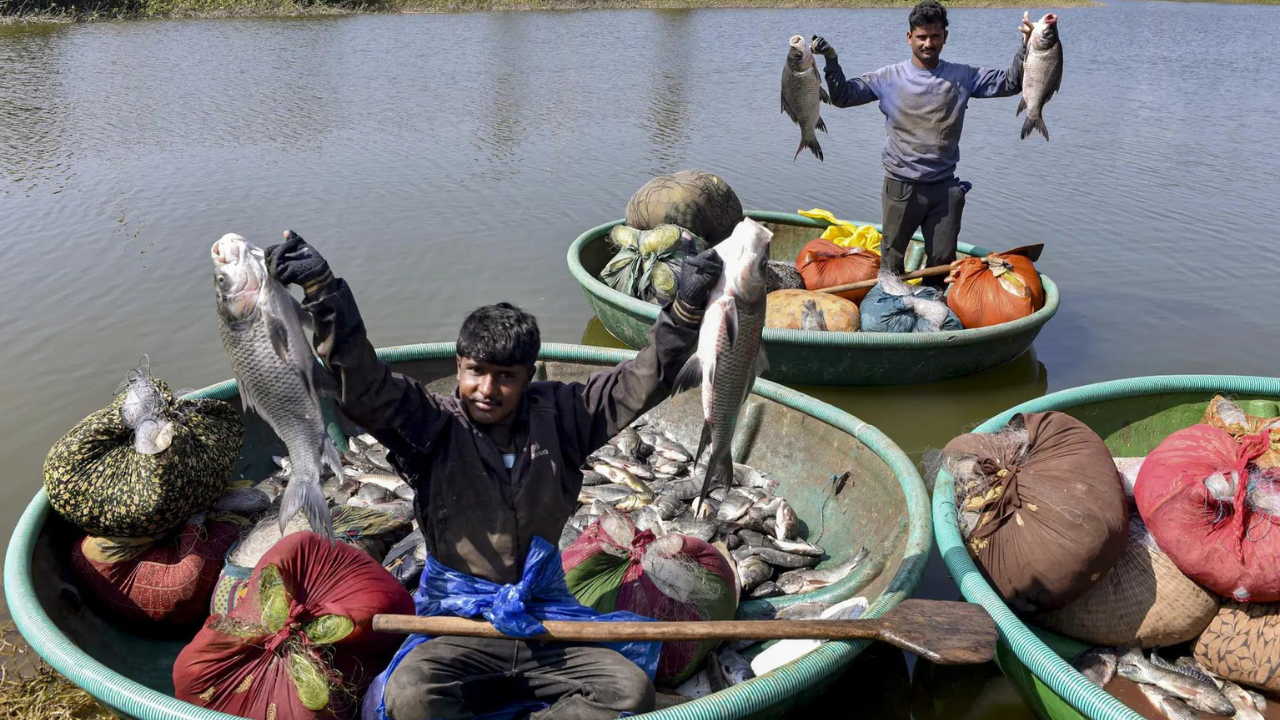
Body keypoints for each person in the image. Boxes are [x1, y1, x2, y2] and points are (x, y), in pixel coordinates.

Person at [263, 229, 723, 720]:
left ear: (528, 378)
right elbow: (364, 384)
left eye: (505, 376)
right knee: (411, 696)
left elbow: (641, 379)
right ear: (459, 368)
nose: (486, 388)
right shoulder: (430, 424)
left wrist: (685, 314)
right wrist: (323, 291)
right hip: (460, 623)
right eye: (474, 371)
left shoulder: (564, 416)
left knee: (629, 690)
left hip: (545, 621)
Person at [811, 1, 1035, 286]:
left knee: (941, 267)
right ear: (909, 38)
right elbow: (843, 97)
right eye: (921, 37)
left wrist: (1027, 45)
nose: (928, 43)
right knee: (891, 266)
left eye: (935, 36)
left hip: (944, 188)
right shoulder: (887, 77)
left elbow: (1011, 83)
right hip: (900, 187)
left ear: (945, 37)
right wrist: (831, 58)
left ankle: (932, 318)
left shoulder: (963, 77)